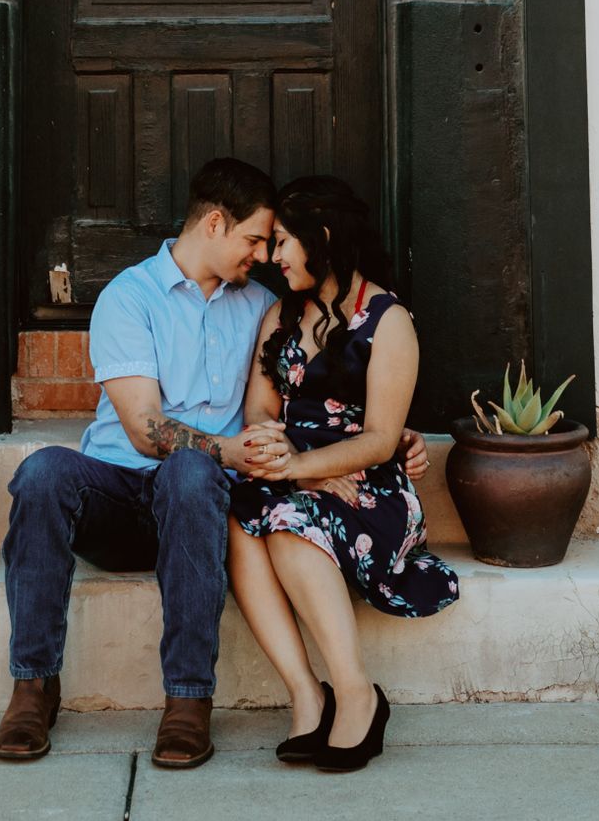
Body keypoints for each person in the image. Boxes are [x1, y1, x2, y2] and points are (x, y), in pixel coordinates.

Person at [0, 158, 428, 769]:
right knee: (43, 473)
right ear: (216, 224)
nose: (264, 255)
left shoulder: (260, 307)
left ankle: (188, 702)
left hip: (200, 505)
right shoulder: (130, 296)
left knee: (192, 473)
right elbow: (145, 429)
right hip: (121, 497)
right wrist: (237, 452)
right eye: (255, 239)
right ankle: (32, 687)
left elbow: (307, 389)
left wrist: (384, 434)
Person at [228, 176, 459, 773]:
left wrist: (305, 468)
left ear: (322, 238)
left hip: (369, 486)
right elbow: (259, 407)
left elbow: (382, 438)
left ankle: (357, 692)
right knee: (241, 518)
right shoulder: (280, 313)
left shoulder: (388, 320)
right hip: (294, 473)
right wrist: (283, 457)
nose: (273, 257)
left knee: (280, 519)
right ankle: (307, 693)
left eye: (283, 242)